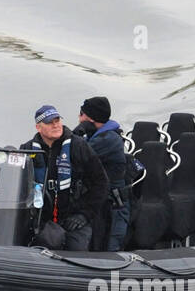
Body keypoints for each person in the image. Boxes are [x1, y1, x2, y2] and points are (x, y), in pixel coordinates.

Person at [20, 104, 107, 251]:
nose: (55, 125)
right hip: (41, 219)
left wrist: (84, 215)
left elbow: (101, 183)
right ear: (38, 127)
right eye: (50, 122)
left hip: (74, 218)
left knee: (77, 252)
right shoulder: (26, 149)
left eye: (57, 120)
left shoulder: (79, 146)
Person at [74, 96, 131, 251]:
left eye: (81, 114)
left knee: (109, 251)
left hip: (113, 210)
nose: (78, 118)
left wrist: (77, 133)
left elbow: (77, 154)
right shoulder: (96, 136)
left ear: (90, 119)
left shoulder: (108, 139)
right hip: (101, 205)